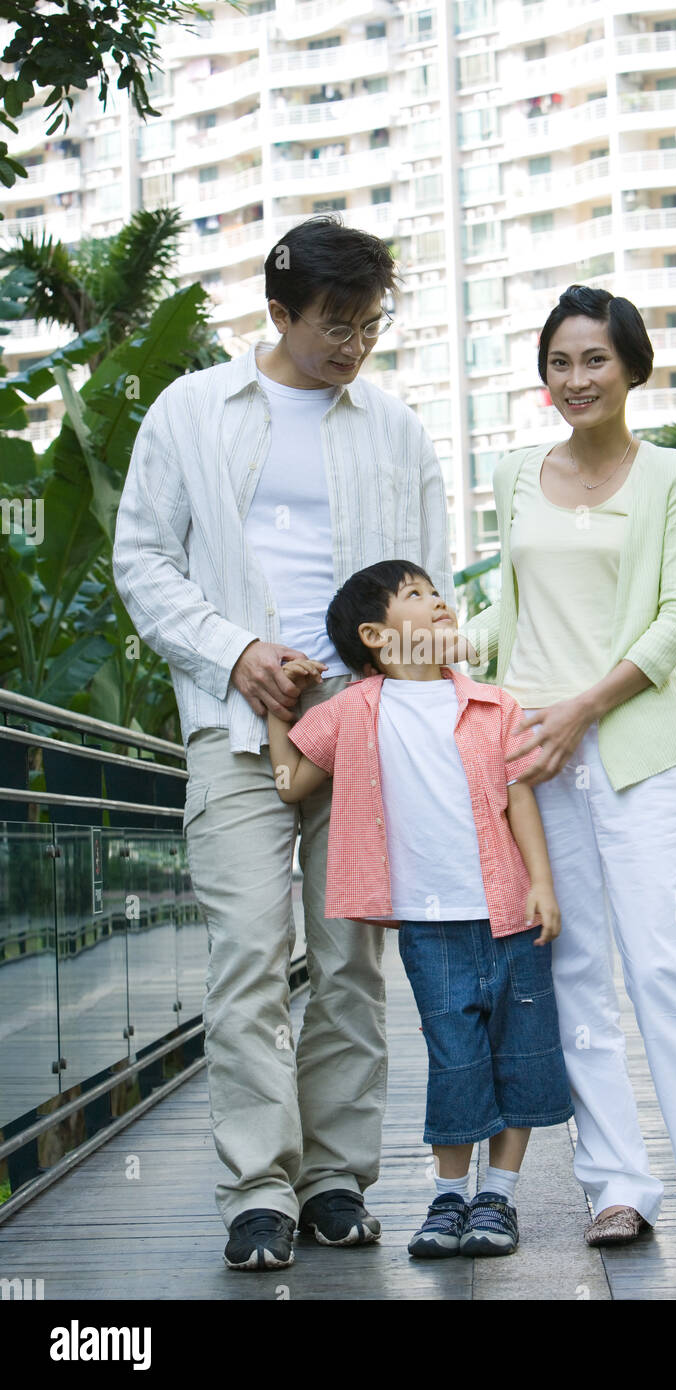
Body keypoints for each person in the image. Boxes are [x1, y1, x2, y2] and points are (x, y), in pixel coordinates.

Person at [112, 215, 454, 1271]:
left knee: (351, 959)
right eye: (334, 325)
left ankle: (336, 1180)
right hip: (233, 727)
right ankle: (257, 1188)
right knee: (250, 956)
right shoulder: (192, 413)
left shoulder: (395, 428)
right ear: (279, 312)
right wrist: (233, 650)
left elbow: (430, 580)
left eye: (370, 324)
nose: (353, 344)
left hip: (363, 730)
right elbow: (143, 561)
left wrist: (415, 703)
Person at [460, 285, 676, 1251]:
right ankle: (615, 1185)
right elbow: (508, 616)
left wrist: (584, 708)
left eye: (594, 359)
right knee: (574, 974)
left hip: (630, 751)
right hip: (531, 761)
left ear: (632, 368)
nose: (574, 378)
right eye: (558, 361)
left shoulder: (669, 474)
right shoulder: (515, 473)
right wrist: (412, 649)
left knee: (666, 966)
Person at [266, 561, 574, 1259]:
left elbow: (517, 796)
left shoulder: (493, 705)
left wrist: (542, 885)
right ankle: (446, 1199)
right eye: (415, 595)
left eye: (437, 592)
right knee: (455, 1058)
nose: (437, 602)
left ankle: (496, 1197)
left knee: (517, 1055)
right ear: (374, 635)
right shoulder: (350, 711)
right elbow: (289, 785)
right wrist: (272, 710)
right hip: (429, 927)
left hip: (509, 915)